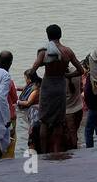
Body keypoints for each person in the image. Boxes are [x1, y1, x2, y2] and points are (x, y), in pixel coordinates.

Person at [30, 25, 85, 155]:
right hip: (60, 85)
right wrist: (66, 75)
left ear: (48, 36)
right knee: (58, 121)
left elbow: (32, 71)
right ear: (60, 35)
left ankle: (43, 152)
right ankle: (56, 151)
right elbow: (81, 71)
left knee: (44, 120)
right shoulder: (67, 51)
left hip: (48, 84)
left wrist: (39, 81)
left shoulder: (44, 52)